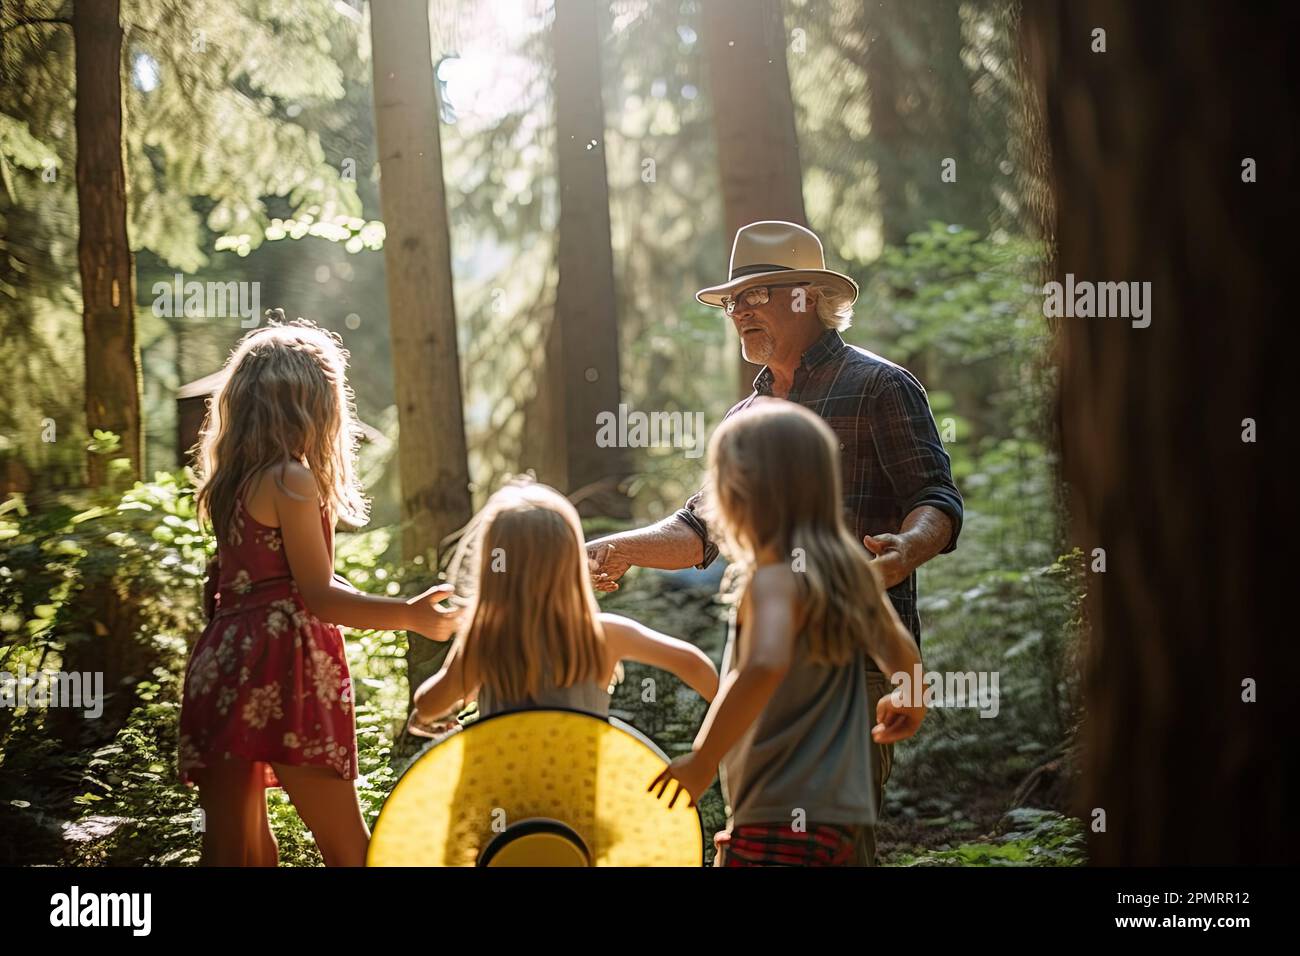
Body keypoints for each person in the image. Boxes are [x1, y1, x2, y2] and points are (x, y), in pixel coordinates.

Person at [591, 220, 962, 862]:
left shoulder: (880, 385)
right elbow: (701, 529)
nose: (738, 312)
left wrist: (908, 550)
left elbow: (936, 499)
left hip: (855, 671)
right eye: (733, 300)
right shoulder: (746, 419)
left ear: (806, 297)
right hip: (769, 712)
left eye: (754, 295)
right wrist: (617, 548)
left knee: (840, 838)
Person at [179, 314, 459, 866]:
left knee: (241, 855)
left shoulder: (234, 483)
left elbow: (274, 581)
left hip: (224, 664)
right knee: (350, 851)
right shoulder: (291, 479)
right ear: (311, 407)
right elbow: (316, 596)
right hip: (283, 671)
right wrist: (409, 616)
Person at [651, 401, 926, 865]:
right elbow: (902, 652)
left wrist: (701, 761)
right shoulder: (850, 571)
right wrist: (909, 700)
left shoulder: (774, 576)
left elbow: (765, 664)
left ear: (737, 494)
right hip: (844, 813)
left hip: (778, 812)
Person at [409, 482, 718, 731]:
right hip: (578, 802)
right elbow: (694, 664)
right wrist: (726, 731)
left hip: (505, 802)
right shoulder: (605, 635)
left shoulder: (486, 640)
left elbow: (429, 704)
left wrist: (423, 717)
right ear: (572, 559)